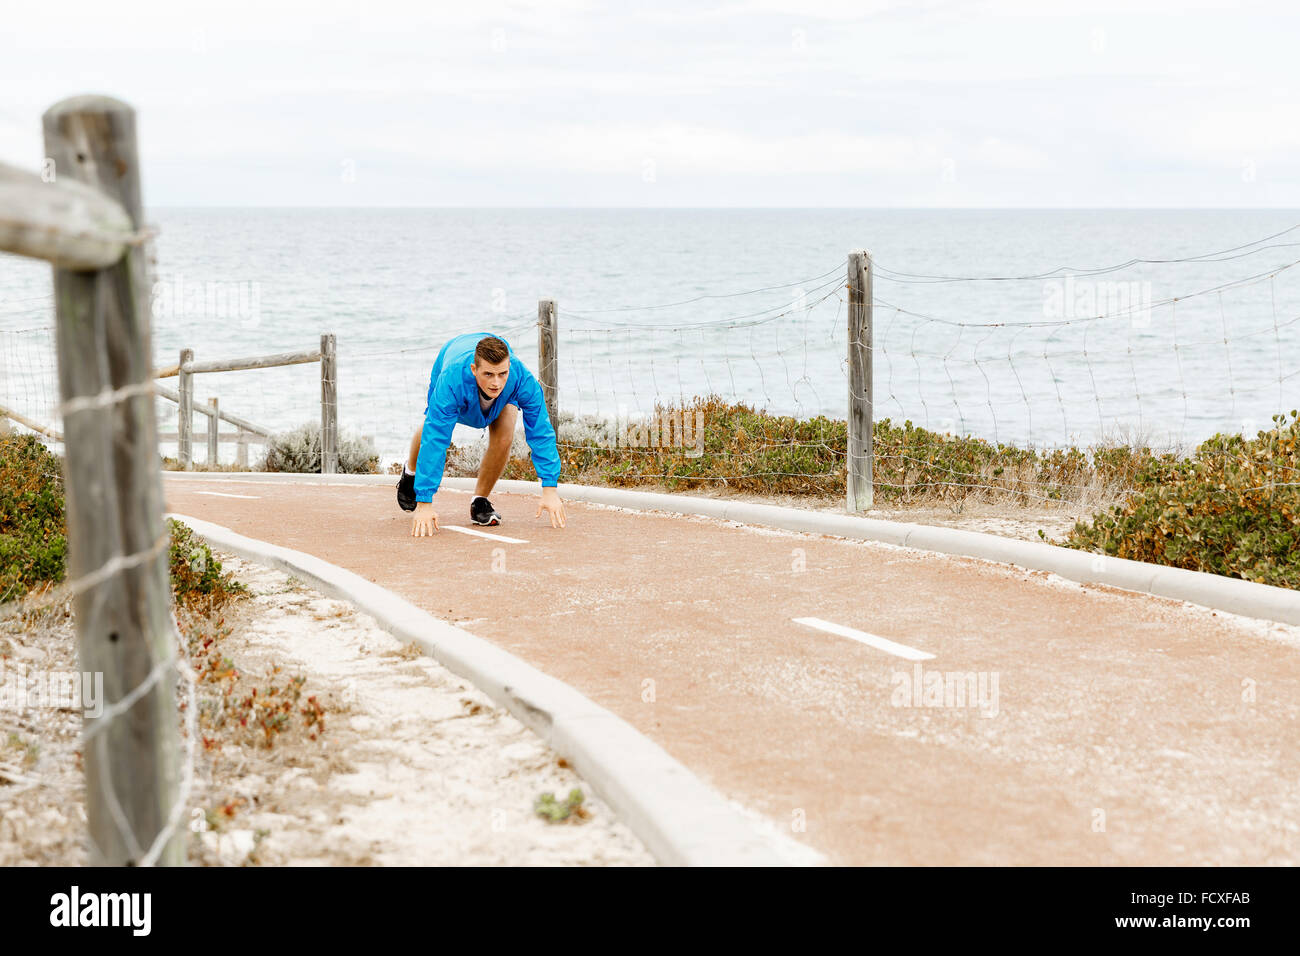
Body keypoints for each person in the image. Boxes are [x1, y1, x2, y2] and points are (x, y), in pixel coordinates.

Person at [397, 333, 566, 537]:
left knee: (504, 436)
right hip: (451, 357)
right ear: (474, 369)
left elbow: (541, 430)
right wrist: (424, 502)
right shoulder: (451, 381)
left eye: (502, 373)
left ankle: (480, 502)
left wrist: (550, 487)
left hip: (502, 391)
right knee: (431, 426)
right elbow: (436, 439)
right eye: (488, 374)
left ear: (509, 368)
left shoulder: (520, 379)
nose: (496, 382)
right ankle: (411, 472)